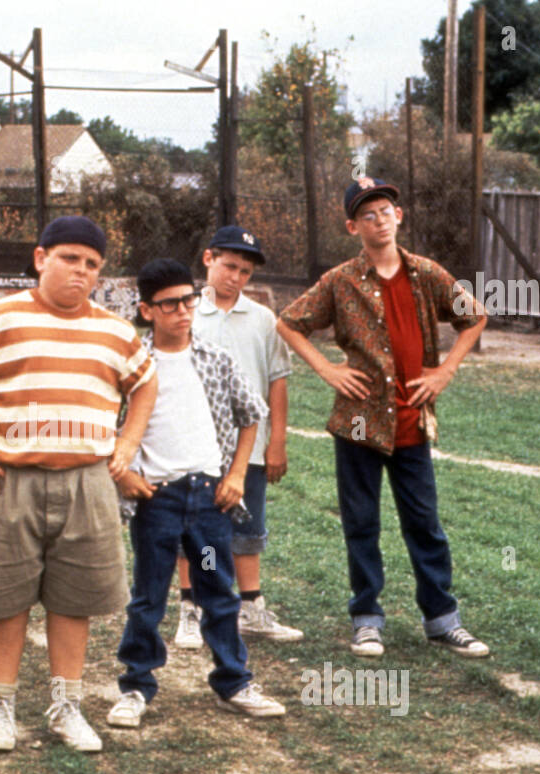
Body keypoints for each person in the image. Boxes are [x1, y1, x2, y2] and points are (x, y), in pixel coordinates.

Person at [0, 215, 157, 753]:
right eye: (69, 259)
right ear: (40, 258)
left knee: (73, 598)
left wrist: (125, 446)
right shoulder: (0, 318)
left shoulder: (114, 331)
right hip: (11, 480)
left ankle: (66, 707)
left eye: (92, 264)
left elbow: (145, 384)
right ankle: (0, 705)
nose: (80, 272)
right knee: (6, 598)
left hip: (87, 482)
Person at [276, 176, 490, 659]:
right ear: (353, 226)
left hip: (412, 421)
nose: (380, 220)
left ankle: (442, 619)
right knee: (361, 523)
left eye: (387, 210)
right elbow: (289, 322)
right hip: (359, 423)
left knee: (425, 523)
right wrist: (330, 371)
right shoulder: (340, 281)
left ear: (400, 217)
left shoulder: (426, 273)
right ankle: (367, 619)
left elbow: (474, 316)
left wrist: (444, 372)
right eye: (368, 214)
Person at [108, 258, 286, 729]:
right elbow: (107, 426)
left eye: (189, 300)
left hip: (207, 499)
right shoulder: (132, 366)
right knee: (149, 595)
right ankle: (136, 685)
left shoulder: (214, 359)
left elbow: (252, 414)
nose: (184, 311)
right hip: (157, 500)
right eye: (170, 305)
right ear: (147, 310)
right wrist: (125, 475)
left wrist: (233, 476)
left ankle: (233, 679)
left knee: (216, 589)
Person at [173, 225, 302, 649]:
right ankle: (191, 608)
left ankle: (250, 606)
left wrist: (276, 439)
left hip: (251, 447)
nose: (236, 277)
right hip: (197, 444)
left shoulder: (263, 319)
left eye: (245, 271)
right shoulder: (185, 312)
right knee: (196, 527)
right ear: (208, 259)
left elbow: (277, 381)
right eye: (229, 266)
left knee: (247, 527)